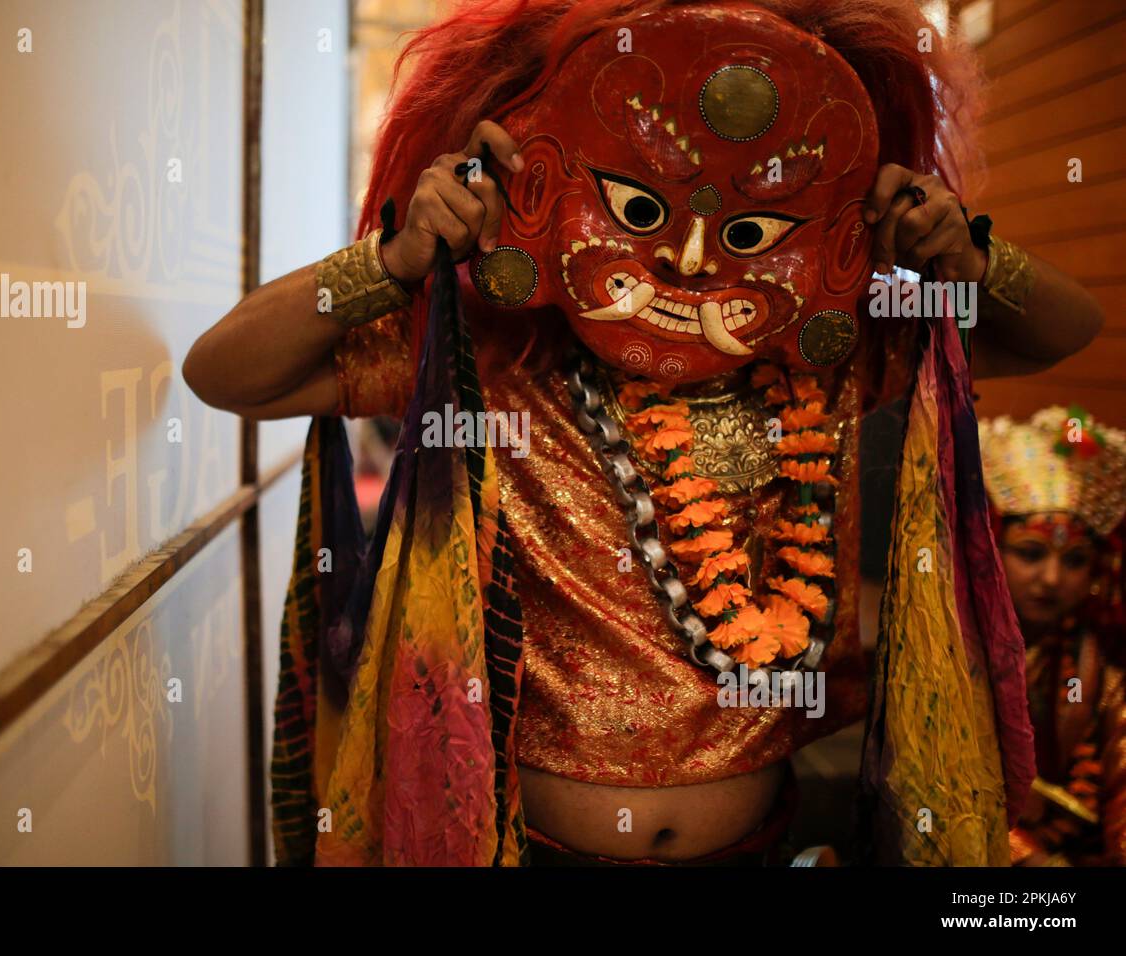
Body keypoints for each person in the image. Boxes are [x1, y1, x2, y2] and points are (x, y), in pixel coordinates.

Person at [185, 0, 1103, 866]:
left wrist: (967, 256)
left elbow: (1063, 331)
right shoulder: (498, 354)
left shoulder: (825, 360)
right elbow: (226, 372)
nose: (689, 259)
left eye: (746, 228)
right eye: (639, 209)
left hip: (757, 846)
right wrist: (388, 259)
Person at [980, 406, 1126, 866]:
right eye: (1031, 553)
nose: (1051, 578)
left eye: (1075, 560)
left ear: (1097, 570)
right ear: (993, 551)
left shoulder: (1100, 667)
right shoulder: (950, 652)